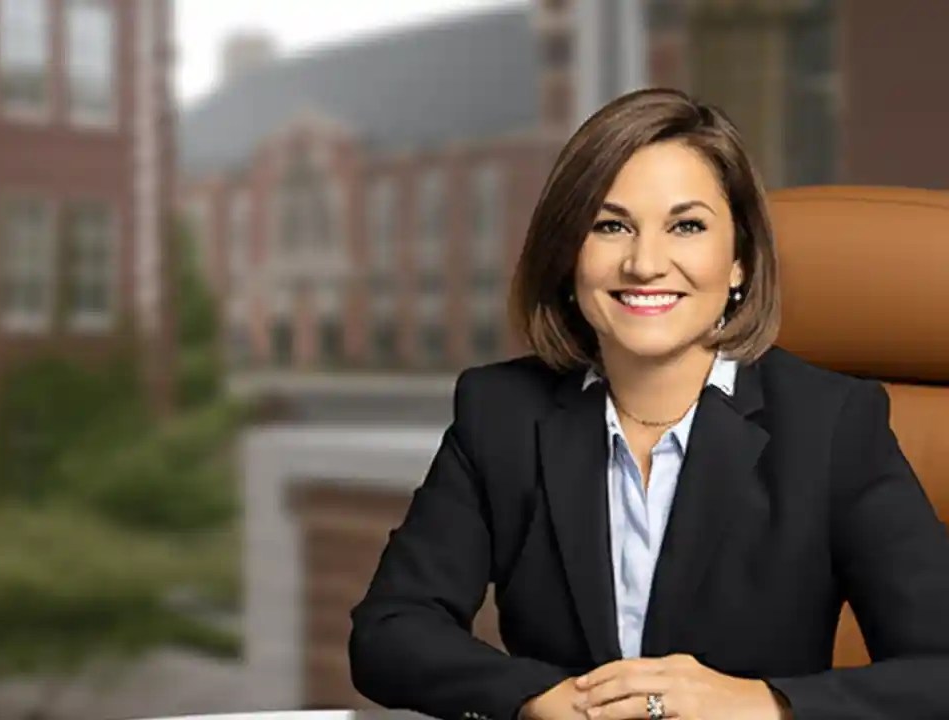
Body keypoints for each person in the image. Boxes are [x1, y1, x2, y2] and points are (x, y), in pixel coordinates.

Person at [348, 88, 949, 720]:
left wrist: (765, 704)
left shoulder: (830, 426)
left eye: (686, 226)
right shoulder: (501, 413)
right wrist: (539, 699)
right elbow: (390, 632)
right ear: (568, 256)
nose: (644, 263)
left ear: (738, 260)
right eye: (611, 226)